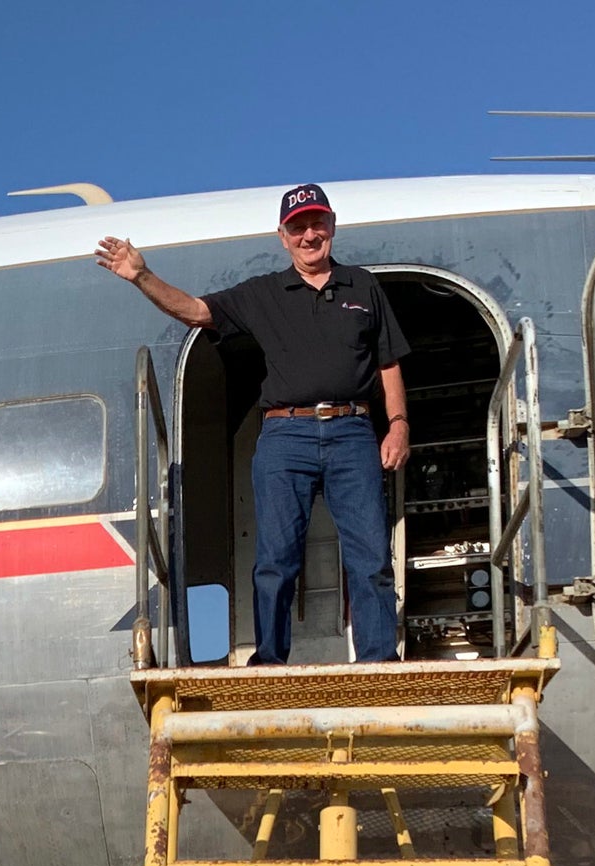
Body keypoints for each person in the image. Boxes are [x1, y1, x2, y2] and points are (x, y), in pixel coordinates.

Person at [94, 183, 411, 665]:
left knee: (371, 557)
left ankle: (379, 660)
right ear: (282, 236)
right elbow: (197, 311)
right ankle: (269, 658)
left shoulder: (363, 286)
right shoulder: (264, 292)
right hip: (287, 436)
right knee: (276, 559)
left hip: (353, 432)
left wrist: (399, 423)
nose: (309, 235)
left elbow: (389, 362)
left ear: (332, 226)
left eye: (317, 223)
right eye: (298, 227)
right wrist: (142, 276)